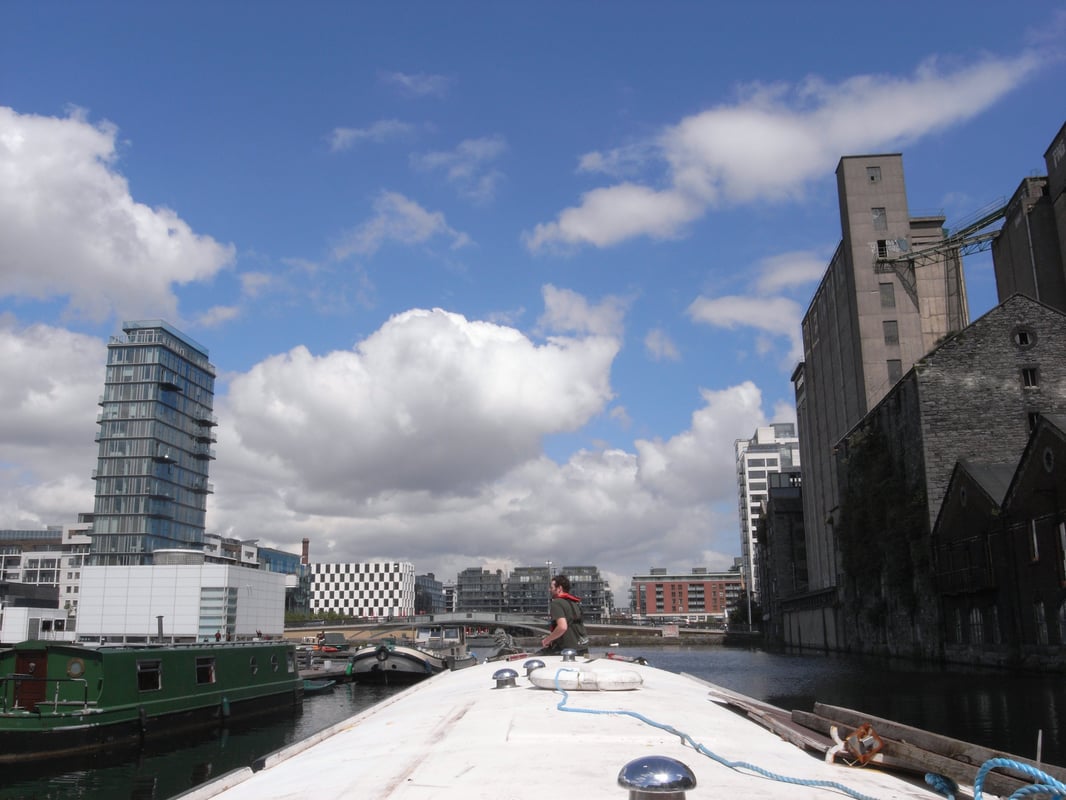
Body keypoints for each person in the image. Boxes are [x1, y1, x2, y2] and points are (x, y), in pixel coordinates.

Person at [539, 574, 589, 655]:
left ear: (559, 588)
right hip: (583, 649)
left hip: (566, 651)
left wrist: (547, 640)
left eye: (551, 587)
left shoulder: (557, 603)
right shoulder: (575, 603)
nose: (549, 590)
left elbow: (562, 627)